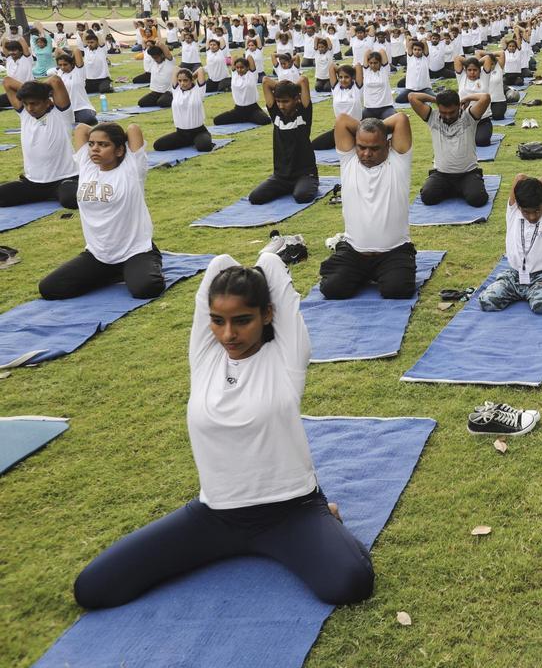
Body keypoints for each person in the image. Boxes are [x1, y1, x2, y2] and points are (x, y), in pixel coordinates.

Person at [72, 245, 376, 610]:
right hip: (215, 515)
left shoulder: (286, 358)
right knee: (93, 588)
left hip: (290, 511)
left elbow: (271, 265)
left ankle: (327, 519)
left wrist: (257, 266)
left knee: (351, 582)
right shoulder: (204, 358)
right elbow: (218, 265)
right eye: (218, 321)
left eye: (242, 320)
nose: (228, 334)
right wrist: (235, 280)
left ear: (267, 314)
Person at [39, 123, 164, 300]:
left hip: (135, 252)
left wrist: (114, 135)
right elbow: (81, 129)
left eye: (104, 145)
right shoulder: (87, 166)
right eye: (91, 144)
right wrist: (102, 135)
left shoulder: (132, 169)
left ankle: (135, 268)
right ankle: (114, 274)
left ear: (120, 150)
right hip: (98, 255)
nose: (95, 149)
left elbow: (133, 129)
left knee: (147, 288)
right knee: (49, 288)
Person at [318, 114, 415, 299]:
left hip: (393, 251)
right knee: (332, 289)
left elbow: (401, 119)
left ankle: (374, 275)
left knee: (397, 290)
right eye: (361, 147)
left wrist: (375, 128)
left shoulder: (398, 160)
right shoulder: (349, 159)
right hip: (354, 251)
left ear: (388, 144)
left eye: (374, 148)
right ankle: (361, 275)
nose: (366, 154)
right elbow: (342, 121)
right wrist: (369, 129)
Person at [478, 174, 542, 315]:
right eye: (526, 212)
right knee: (486, 301)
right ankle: (514, 293)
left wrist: (534, 188)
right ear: (518, 206)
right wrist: (526, 189)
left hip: (539, 278)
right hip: (513, 277)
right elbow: (520, 177)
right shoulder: (513, 212)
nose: (532, 217)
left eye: (537, 211)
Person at [0, 77, 79, 208]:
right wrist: (32, 91)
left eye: (34, 103)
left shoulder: (61, 114)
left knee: (71, 199)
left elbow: (55, 81)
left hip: (63, 180)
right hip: (33, 183)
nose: (30, 108)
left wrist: (36, 90)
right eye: (26, 104)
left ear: (47, 102)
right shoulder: (25, 115)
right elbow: (7, 82)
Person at [410, 89, 491, 207]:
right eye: (443, 112)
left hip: (467, 174)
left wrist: (467, 98)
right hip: (441, 175)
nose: (447, 116)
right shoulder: (433, 118)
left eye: (452, 112)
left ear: (459, 106)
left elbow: (485, 97)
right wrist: (436, 100)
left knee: (478, 199)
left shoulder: (469, 117)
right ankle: (457, 190)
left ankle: (464, 188)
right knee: (427, 197)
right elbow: (412, 97)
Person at [250, 77, 319, 204]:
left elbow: (303, 80)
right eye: (278, 101)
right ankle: (288, 187)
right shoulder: (275, 113)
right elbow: (265, 81)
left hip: (305, 174)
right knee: (255, 198)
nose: (281, 106)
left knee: (302, 196)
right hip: (281, 176)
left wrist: (289, 88)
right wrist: (283, 88)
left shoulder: (303, 113)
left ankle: (304, 184)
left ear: (296, 99)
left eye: (286, 101)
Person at [153, 69, 214, 154]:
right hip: (181, 134)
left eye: (185, 80)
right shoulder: (176, 90)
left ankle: (197, 140)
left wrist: (192, 76)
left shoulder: (198, 90)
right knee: (158, 145)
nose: (182, 83)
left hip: (198, 132)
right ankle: (189, 142)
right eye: (180, 80)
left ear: (191, 80)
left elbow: (200, 70)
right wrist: (185, 76)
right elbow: (175, 69)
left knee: (204, 147)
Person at [311, 66, 362, 151]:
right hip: (339, 129)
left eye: (346, 77)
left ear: (352, 77)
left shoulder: (357, 88)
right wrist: (341, 69)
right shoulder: (336, 88)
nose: (343, 80)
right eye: (340, 77)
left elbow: (358, 66)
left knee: (351, 148)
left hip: (355, 130)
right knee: (314, 145)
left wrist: (348, 69)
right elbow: (332, 67)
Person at [213, 57, 271, 127]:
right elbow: (234, 58)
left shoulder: (252, 75)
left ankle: (250, 118)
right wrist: (238, 61)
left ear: (247, 67)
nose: (239, 70)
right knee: (216, 121)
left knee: (266, 120)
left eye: (242, 67)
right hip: (238, 110)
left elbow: (250, 57)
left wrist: (245, 58)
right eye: (237, 68)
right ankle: (246, 118)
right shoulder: (234, 74)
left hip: (253, 109)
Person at [455, 55, 495, 147]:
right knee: (459, 142)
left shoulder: (484, 77)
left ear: (479, 70)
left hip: (482, 119)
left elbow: (487, 58)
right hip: (465, 119)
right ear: (465, 70)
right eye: (469, 70)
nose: (472, 72)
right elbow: (457, 59)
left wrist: (476, 63)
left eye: (475, 70)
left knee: (482, 141)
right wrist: (470, 62)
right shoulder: (462, 77)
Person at [50, 50, 99, 125]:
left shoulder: (78, 71)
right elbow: (57, 50)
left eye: (65, 64)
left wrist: (69, 56)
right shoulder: (60, 73)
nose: (62, 67)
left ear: (72, 63)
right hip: (65, 109)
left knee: (89, 120)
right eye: (60, 65)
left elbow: (77, 51)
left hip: (81, 108)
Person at [356, 53, 396, 120]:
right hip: (369, 109)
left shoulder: (385, 70)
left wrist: (374, 51)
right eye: (371, 63)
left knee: (394, 120)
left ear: (380, 62)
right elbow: (365, 55)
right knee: (357, 121)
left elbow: (382, 51)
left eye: (375, 63)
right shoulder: (366, 71)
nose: (373, 65)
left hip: (385, 108)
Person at [135, 44, 176, 109]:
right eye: (153, 57)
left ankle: (175, 99)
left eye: (156, 57)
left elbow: (163, 47)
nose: (155, 59)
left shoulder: (169, 61)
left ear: (162, 55)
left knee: (162, 102)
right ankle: (160, 100)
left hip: (169, 92)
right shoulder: (154, 62)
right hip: (156, 93)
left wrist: (158, 43)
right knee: (141, 103)